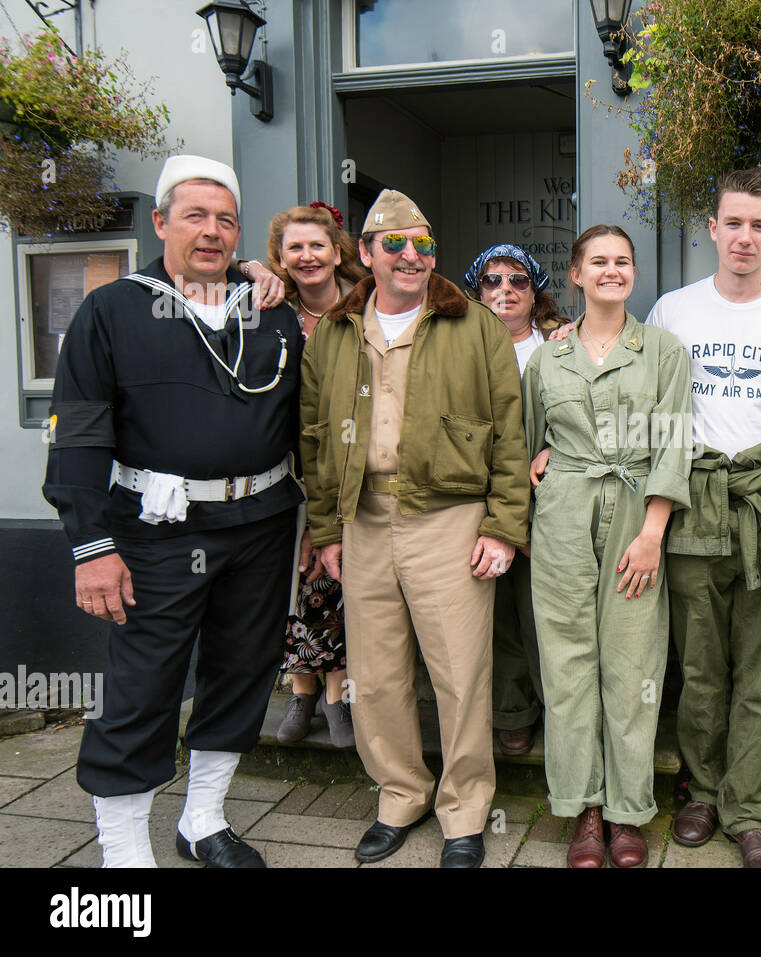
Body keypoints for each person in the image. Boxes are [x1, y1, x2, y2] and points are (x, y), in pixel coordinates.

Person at [43, 155, 304, 867]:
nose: (211, 232)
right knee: (144, 683)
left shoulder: (269, 309)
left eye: (225, 219)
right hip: (156, 531)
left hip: (262, 524)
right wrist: (89, 545)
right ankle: (124, 849)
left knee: (242, 669)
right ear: (160, 223)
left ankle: (203, 821)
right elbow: (81, 432)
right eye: (195, 216)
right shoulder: (112, 310)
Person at [299, 189, 530, 868]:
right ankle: (400, 793)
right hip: (363, 516)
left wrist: (503, 526)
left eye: (423, 244)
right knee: (374, 674)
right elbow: (315, 436)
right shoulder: (336, 332)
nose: (410, 256)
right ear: (365, 254)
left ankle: (464, 809)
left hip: (449, 519)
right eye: (394, 244)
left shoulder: (473, 323)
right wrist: (326, 529)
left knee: (460, 673)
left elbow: (509, 435)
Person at [650, 170, 761, 868]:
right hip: (694, 502)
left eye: (759, 225)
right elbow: (653, 409)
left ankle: (750, 810)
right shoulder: (673, 310)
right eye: (734, 223)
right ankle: (702, 792)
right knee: (700, 666)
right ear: (713, 229)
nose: (745, 236)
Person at [522, 225, 692, 868]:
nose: (612, 270)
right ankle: (582, 808)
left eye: (622, 261)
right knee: (567, 663)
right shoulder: (547, 357)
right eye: (599, 261)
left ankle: (627, 812)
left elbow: (673, 442)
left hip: (634, 513)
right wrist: (542, 457)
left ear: (633, 273)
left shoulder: (663, 351)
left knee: (633, 666)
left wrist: (653, 532)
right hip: (563, 512)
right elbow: (526, 436)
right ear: (576, 274)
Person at [252, 202, 369, 749]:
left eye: (316, 245)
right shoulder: (269, 309)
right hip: (285, 469)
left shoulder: (366, 305)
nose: (307, 256)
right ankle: (301, 690)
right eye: (294, 248)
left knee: (340, 579)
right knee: (301, 580)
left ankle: (336, 695)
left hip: (350, 465)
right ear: (279, 257)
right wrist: (251, 271)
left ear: (337, 250)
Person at [463, 243, 565, 757]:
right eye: (492, 280)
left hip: (549, 500)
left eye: (518, 280)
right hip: (483, 498)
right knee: (498, 611)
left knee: (544, 611)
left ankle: (560, 712)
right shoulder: (459, 344)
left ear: (535, 291)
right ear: (477, 290)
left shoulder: (559, 345)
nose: (505, 289)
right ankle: (512, 711)